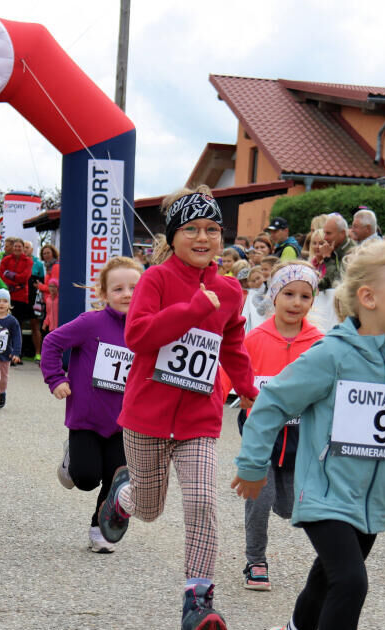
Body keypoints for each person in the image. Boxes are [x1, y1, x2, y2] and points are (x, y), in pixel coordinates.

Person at [234, 240, 385, 629]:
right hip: (324, 493)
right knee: (350, 583)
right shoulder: (331, 355)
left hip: (371, 501)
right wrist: (252, 465)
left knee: (326, 579)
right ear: (369, 297)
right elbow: (272, 402)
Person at [95, 187, 259, 630]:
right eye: (191, 230)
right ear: (172, 236)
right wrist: (191, 309)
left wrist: (248, 389)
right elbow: (138, 336)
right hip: (146, 417)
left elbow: (232, 343)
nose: (203, 238)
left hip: (199, 419)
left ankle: (198, 599)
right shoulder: (156, 280)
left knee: (203, 500)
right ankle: (123, 497)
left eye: (212, 229)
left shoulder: (230, 290)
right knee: (149, 509)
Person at [225, 261, 324, 592]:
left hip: (301, 437)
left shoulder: (320, 343)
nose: (296, 303)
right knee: (260, 495)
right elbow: (229, 374)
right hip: (261, 435)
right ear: (274, 296)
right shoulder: (254, 339)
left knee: (292, 505)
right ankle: (255, 560)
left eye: (305, 296)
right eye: (289, 294)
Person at [41, 256, 143, 553]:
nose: (127, 295)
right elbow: (52, 343)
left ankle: (100, 529)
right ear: (103, 293)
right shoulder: (91, 323)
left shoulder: (147, 329)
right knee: (86, 479)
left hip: (125, 422)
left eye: (134, 288)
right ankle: (71, 458)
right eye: (118, 289)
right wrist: (56, 379)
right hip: (86, 418)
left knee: (117, 479)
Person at [0, 237, 36, 361]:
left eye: (20, 246)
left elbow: (24, 277)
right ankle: (4, 352)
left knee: (17, 325)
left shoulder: (28, 261)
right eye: (15, 246)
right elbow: (0, 274)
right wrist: (14, 280)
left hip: (21, 298)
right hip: (7, 297)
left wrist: (9, 275)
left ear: (23, 248)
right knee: (4, 325)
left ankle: (17, 354)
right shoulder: (6, 259)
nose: (17, 248)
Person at [320, 213, 356, 289]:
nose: (325, 238)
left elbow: (337, 282)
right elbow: (328, 280)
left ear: (342, 233)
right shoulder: (334, 249)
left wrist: (327, 259)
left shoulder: (352, 252)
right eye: (324, 233)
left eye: (328, 233)